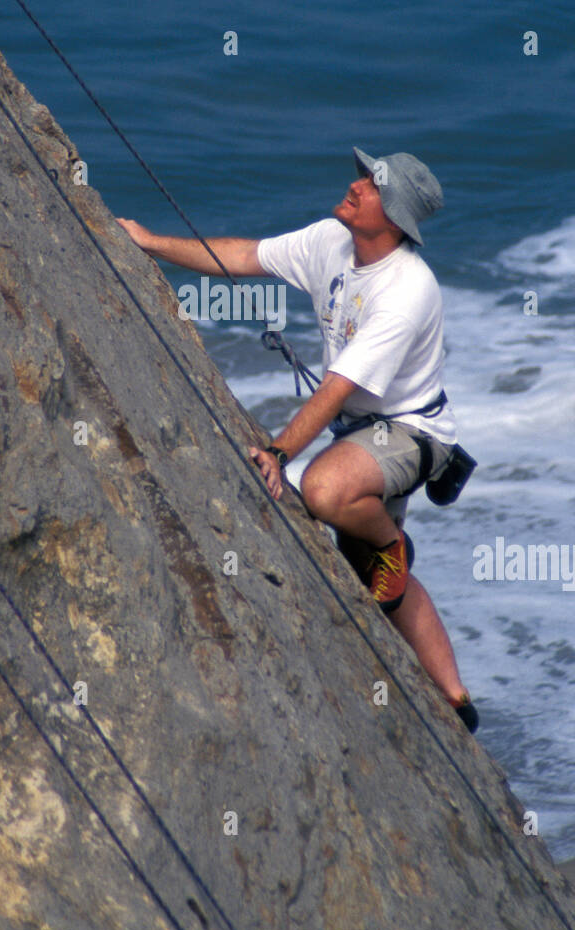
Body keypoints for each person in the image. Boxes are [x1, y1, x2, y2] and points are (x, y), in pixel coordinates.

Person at [116, 148, 478, 733]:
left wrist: (281, 451)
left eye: (373, 184)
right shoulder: (331, 241)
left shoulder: (408, 291)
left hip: (413, 433)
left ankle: (392, 546)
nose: (357, 184)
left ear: (394, 219)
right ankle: (458, 701)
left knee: (326, 491)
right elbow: (240, 256)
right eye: (364, 174)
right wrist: (151, 243)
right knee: (369, 573)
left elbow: (336, 388)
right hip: (363, 431)